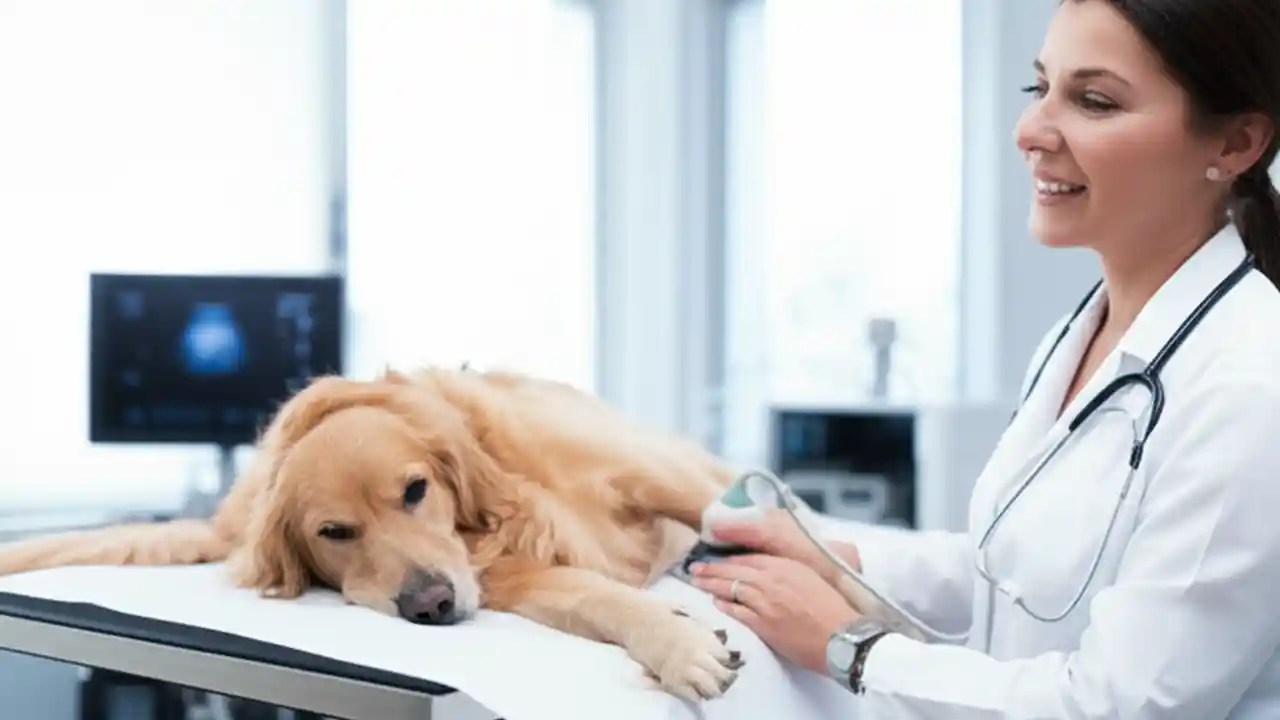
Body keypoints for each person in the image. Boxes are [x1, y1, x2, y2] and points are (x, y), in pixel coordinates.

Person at [690, 0, 1280, 716]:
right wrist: (839, 558)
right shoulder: (1083, 335)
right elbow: (1015, 573)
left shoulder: (1251, 382)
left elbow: (1123, 706)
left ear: (1236, 144)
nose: (1030, 131)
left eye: (1093, 101)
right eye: (1041, 90)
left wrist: (848, 645)